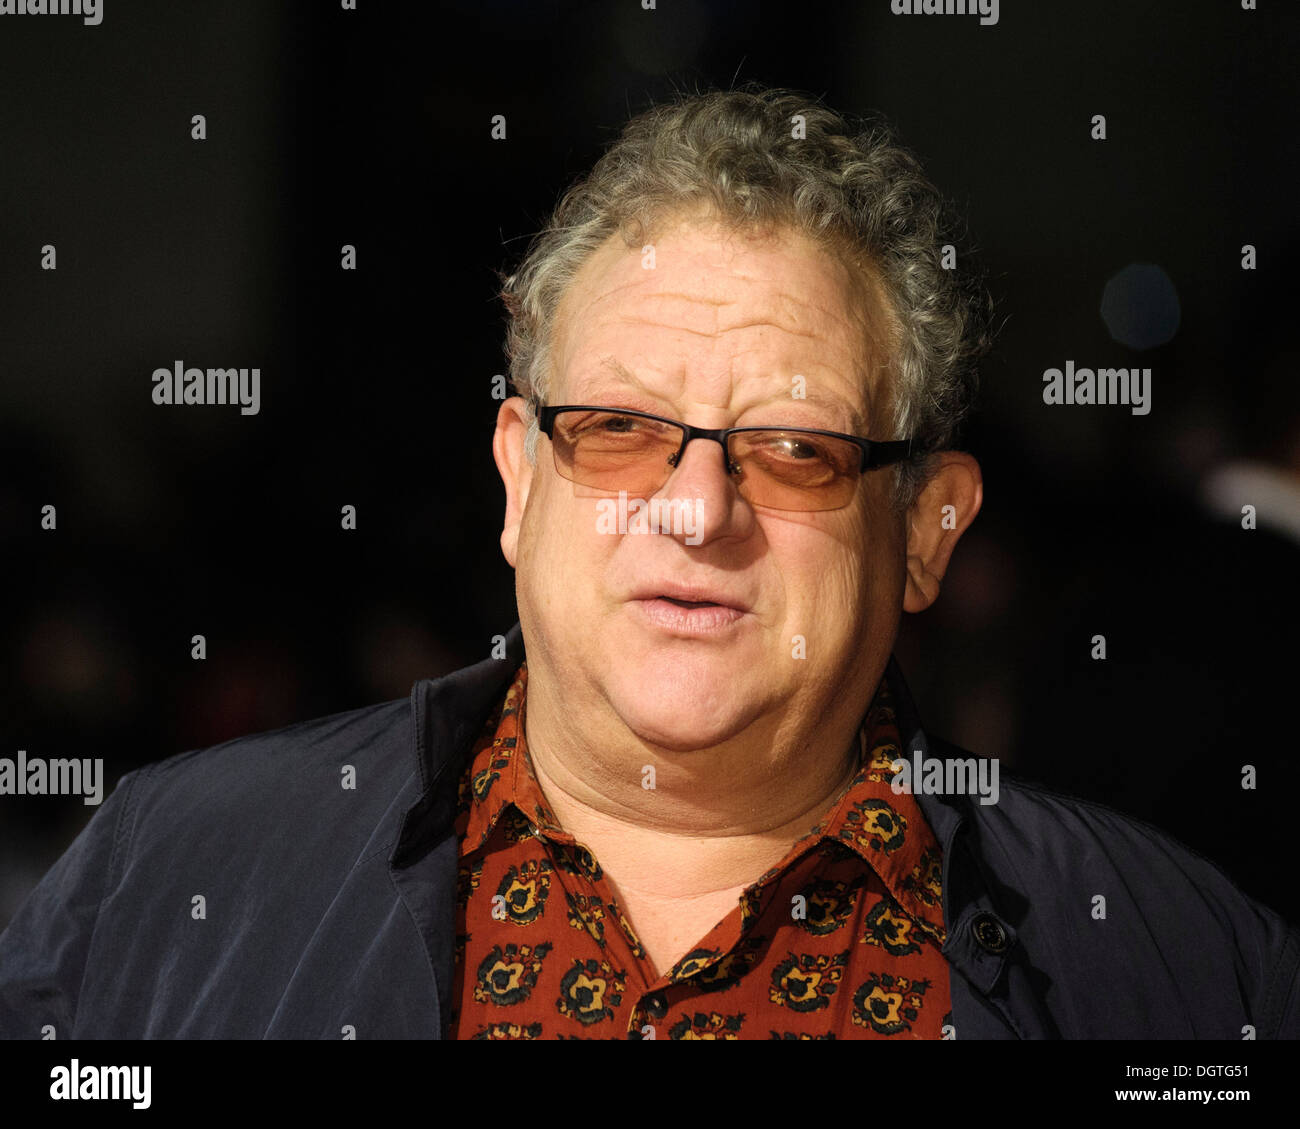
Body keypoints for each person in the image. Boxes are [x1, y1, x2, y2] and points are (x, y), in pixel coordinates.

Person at [1, 85, 1295, 1040]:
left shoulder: (1186, 974)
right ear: (519, 479)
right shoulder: (168, 884)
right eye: (619, 427)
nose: (695, 509)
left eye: (793, 445)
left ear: (926, 530)